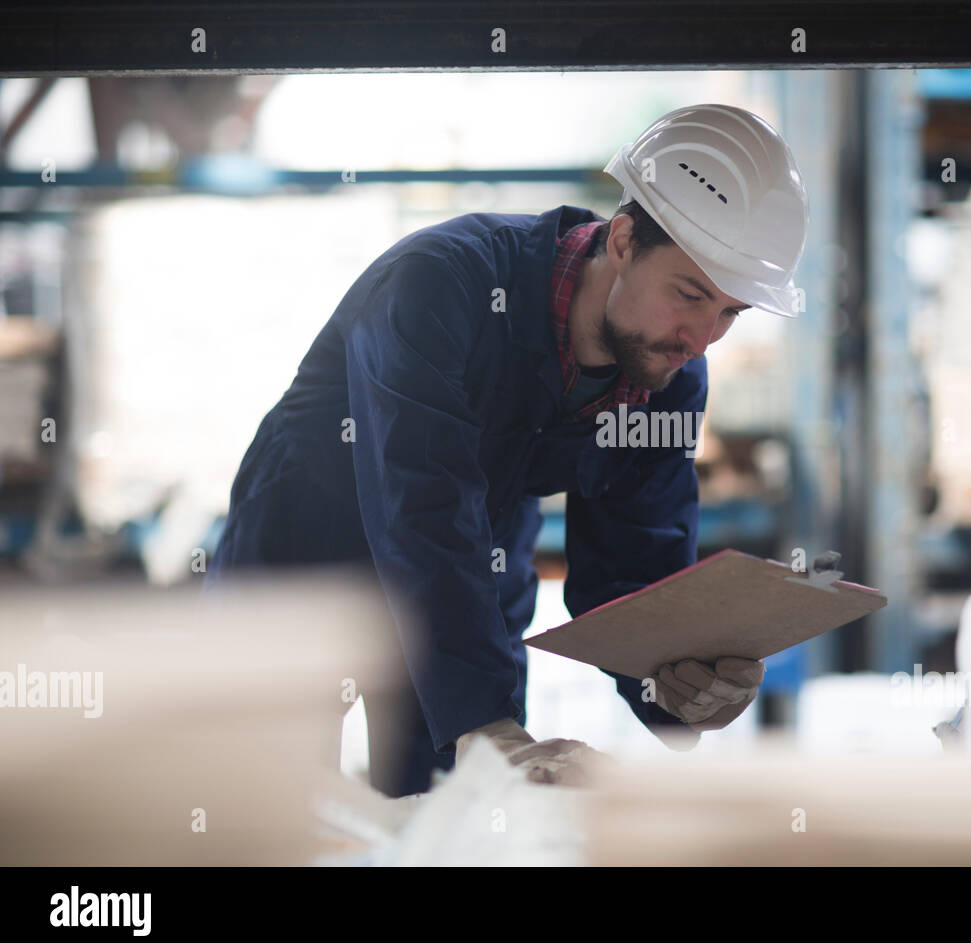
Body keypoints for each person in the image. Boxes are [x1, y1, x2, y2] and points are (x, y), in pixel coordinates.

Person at [205, 103, 810, 796]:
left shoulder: (666, 374)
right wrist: (479, 715)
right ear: (621, 240)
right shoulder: (439, 285)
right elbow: (421, 501)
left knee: (453, 815)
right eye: (689, 294)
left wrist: (676, 681)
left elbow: (634, 564)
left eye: (730, 313)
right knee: (261, 813)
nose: (701, 337)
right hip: (304, 558)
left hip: (467, 575)